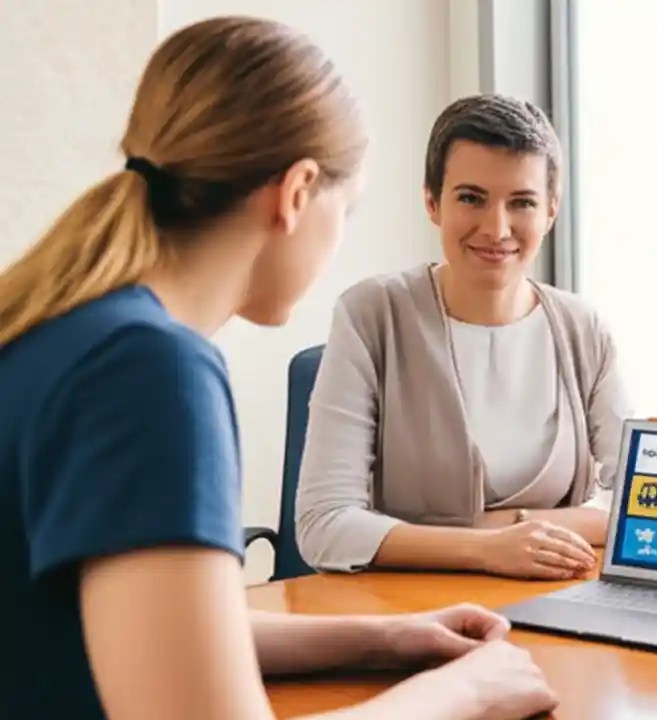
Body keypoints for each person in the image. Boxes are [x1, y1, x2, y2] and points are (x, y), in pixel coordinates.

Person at [0, 17, 556, 720]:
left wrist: (385, 638)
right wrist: (465, 692)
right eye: (345, 211)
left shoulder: (56, 329)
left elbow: (154, 636)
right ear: (297, 193)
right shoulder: (148, 373)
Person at [295, 93, 631, 580]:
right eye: (471, 198)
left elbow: (644, 508)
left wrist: (520, 526)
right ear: (432, 202)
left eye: (522, 203)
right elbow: (323, 526)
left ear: (551, 212)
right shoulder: (371, 314)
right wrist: (488, 547)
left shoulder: (584, 329)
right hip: (406, 611)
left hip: (553, 598)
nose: (497, 229)